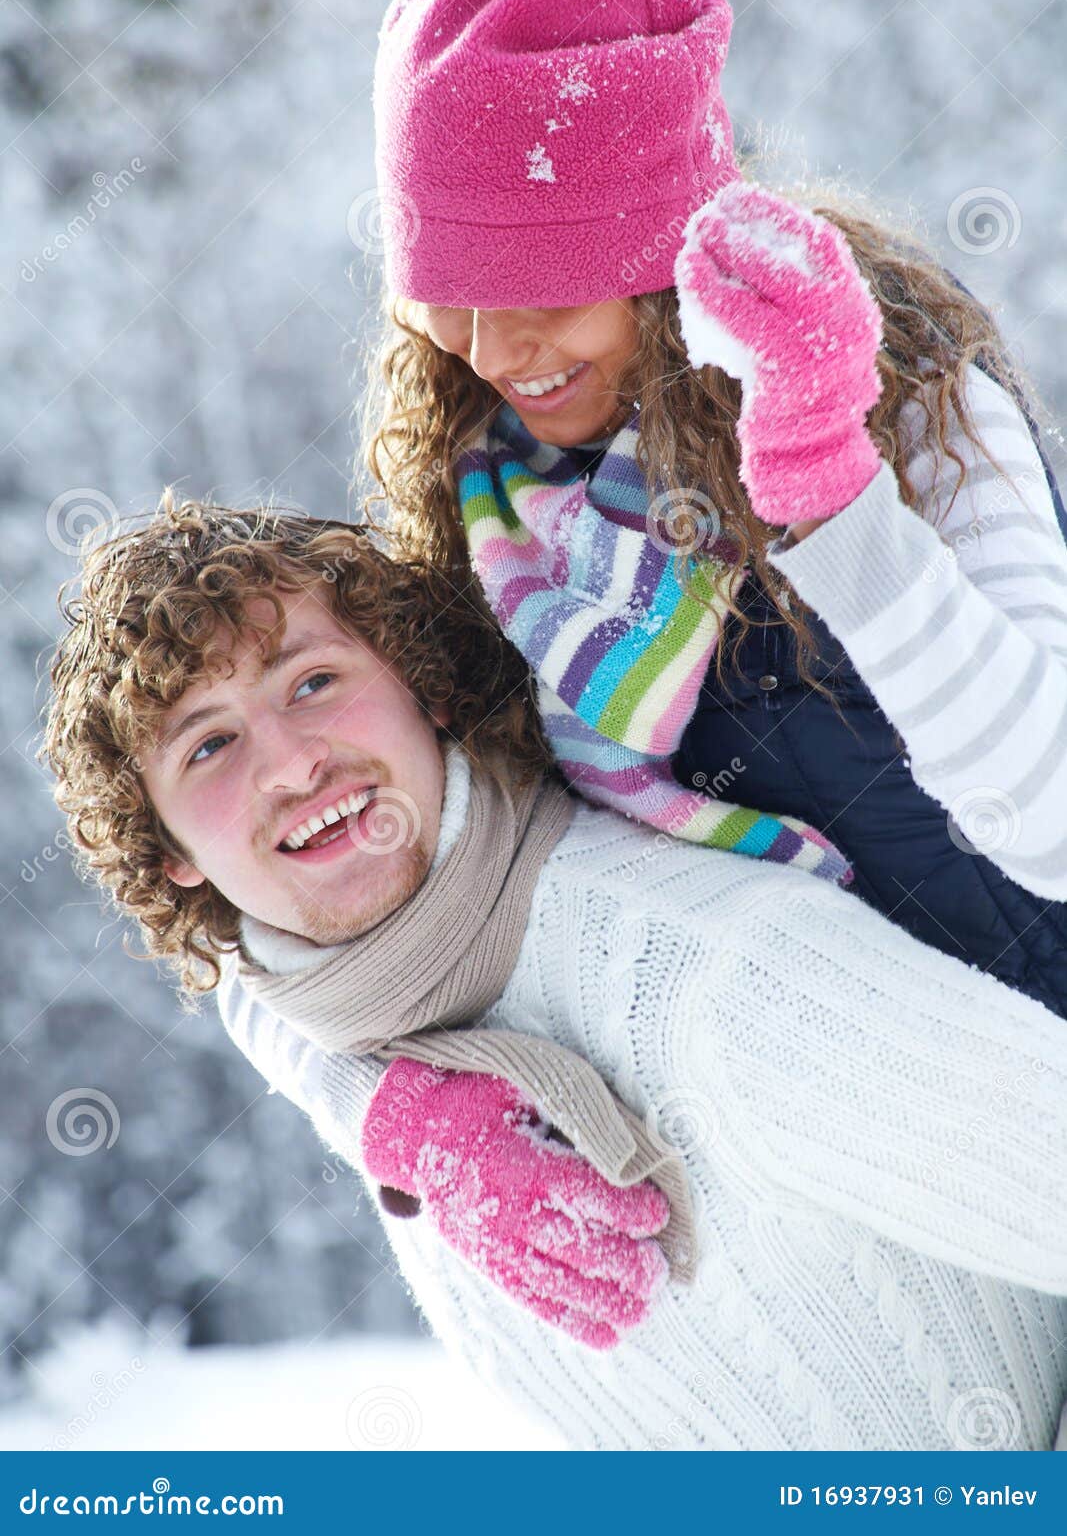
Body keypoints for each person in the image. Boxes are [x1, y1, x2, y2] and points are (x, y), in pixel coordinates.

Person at [45, 499, 1067, 1450]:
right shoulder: (375, 1038)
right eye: (210, 744)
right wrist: (380, 1113)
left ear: (420, 684)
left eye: (312, 682)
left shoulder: (712, 978)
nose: (289, 763)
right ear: (169, 847)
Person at [363, 0, 1067, 1006]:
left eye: (544, 294)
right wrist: (394, 1090)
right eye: (445, 301)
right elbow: (296, 826)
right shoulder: (492, 490)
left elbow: (1049, 816)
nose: (491, 355)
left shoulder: (905, 392)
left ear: (655, 268)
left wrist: (835, 503)